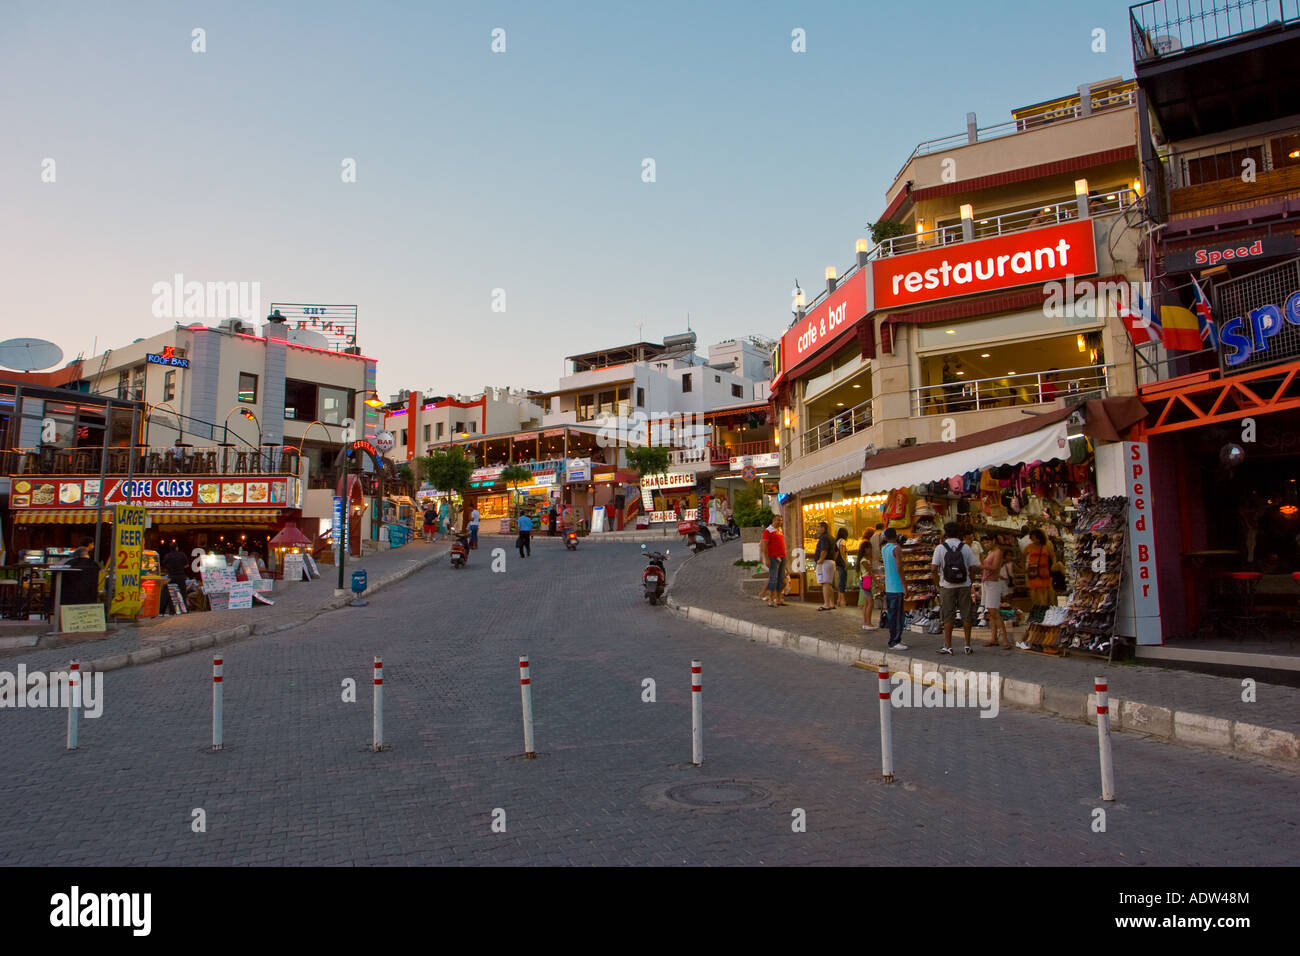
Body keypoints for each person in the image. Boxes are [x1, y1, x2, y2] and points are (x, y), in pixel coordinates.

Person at [931, 521, 981, 655]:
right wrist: (970, 581)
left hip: (947, 586)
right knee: (966, 615)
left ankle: (948, 645)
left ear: (945, 533)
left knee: (948, 616)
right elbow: (972, 567)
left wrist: (937, 584)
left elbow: (934, 568)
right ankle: (967, 645)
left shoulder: (940, 548)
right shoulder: (965, 548)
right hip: (964, 585)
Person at [979, 534, 1012, 649]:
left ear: (993, 540)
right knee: (991, 612)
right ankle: (994, 638)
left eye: (988, 542)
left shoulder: (998, 552)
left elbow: (995, 567)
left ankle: (1005, 640)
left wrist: (981, 566)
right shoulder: (990, 553)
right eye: (984, 543)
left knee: (994, 612)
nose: (986, 545)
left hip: (993, 583)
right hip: (987, 582)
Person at [880, 528, 908, 649]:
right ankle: (895, 640)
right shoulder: (896, 549)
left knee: (892, 614)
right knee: (898, 615)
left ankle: (894, 638)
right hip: (897, 586)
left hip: (889, 585)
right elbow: (899, 568)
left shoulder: (884, 549)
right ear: (895, 536)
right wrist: (904, 585)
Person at [59, 538, 100, 608]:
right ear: (90, 544)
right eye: (93, 544)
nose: (93, 546)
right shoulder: (83, 549)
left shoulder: (79, 549)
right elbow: (86, 560)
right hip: (77, 577)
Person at [1023, 528, 1055, 617]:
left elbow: (1053, 557)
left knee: (1043, 592)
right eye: (1032, 538)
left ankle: (1043, 612)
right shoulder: (1029, 547)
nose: (1033, 540)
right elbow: (1023, 558)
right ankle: (1038, 610)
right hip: (1033, 572)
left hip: (1044, 572)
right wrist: (1024, 568)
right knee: (1033, 592)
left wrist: (1052, 566)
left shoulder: (1046, 546)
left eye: (1034, 538)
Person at [813, 521, 837, 610]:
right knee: (829, 583)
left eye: (818, 527)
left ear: (823, 528)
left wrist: (821, 559)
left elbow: (824, 550)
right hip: (831, 561)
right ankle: (831, 603)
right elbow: (836, 551)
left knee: (825, 583)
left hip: (825, 562)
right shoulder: (831, 537)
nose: (817, 529)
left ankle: (826, 604)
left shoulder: (823, 538)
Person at [765, 515, 788, 608]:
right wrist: (766, 559)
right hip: (773, 557)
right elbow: (764, 545)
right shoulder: (768, 531)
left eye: (781, 520)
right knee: (773, 579)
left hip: (782, 557)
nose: (780, 522)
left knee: (781, 579)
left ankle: (778, 598)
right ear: (773, 520)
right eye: (778, 520)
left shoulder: (780, 530)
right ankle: (771, 599)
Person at [162, 544, 190, 615]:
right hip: (181, 576)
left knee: (172, 594)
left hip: (172, 577)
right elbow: (186, 565)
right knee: (183, 593)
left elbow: (163, 565)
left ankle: (173, 610)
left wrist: (170, 568)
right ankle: (184, 609)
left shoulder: (167, 556)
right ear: (177, 548)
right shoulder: (182, 555)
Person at [856, 536, 875, 630]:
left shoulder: (863, 559)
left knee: (867, 603)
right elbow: (870, 572)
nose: (871, 550)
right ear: (866, 549)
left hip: (864, 579)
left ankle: (866, 622)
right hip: (866, 580)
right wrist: (877, 582)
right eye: (870, 548)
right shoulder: (864, 560)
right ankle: (868, 623)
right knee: (870, 602)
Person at [758, 518, 776, 603]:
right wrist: (763, 559)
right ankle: (763, 593)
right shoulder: (765, 537)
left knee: (771, 577)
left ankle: (764, 593)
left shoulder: (763, 538)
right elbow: (762, 549)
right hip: (768, 558)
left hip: (766, 558)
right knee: (771, 577)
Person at [834, 527, 850, 608]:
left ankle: (839, 600)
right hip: (841, 563)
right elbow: (842, 552)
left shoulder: (837, 541)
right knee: (842, 581)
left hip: (837, 563)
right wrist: (846, 562)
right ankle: (842, 600)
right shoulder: (842, 541)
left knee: (840, 580)